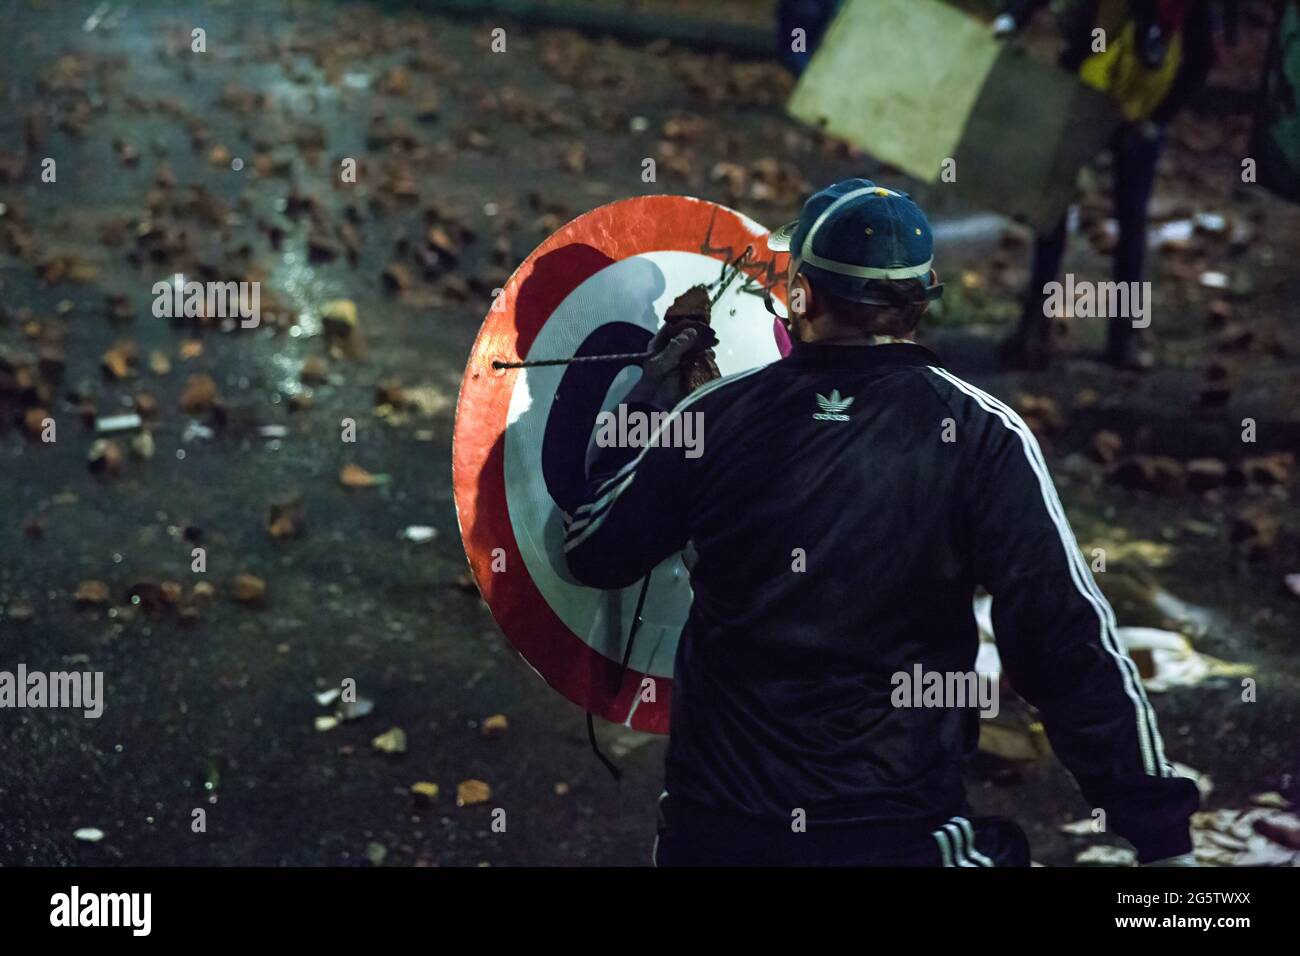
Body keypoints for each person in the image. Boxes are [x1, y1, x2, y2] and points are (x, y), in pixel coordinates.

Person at [563, 179, 1200, 866]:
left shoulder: (711, 419)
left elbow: (595, 551)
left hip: (715, 836)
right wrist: (1160, 835)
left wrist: (648, 402)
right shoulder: (981, 435)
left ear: (801, 293)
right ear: (922, 302)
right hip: (900, 837)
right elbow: (1065, 639)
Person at [994, 0, 1217, 370]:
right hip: (1082, 92)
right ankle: (1034, 327)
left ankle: (1125, 335)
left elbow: (1201, 58)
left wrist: (1158, 118)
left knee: (1131, 218)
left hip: (1142, 107)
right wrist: (1011, 17)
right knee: (1053, 207)